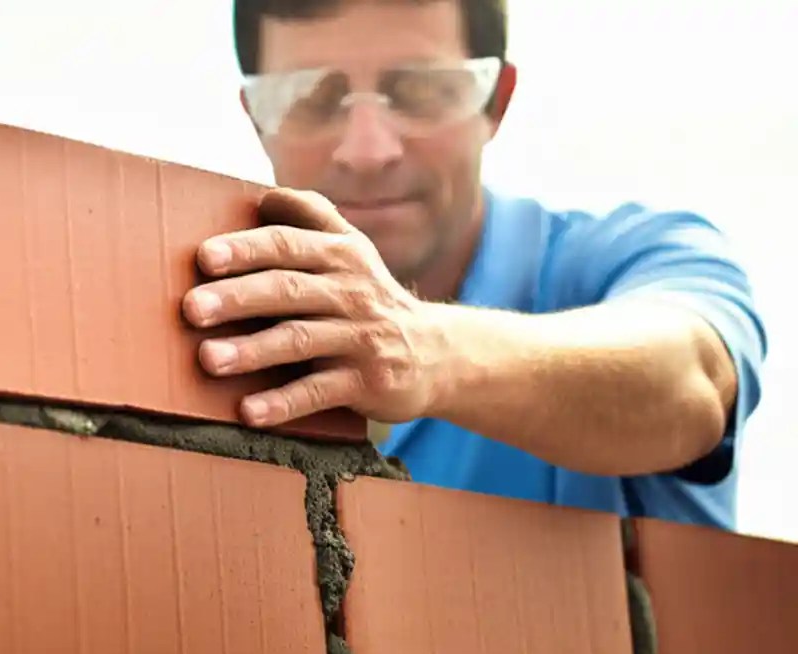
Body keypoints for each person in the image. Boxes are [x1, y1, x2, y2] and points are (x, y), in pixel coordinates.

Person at [181, 0, 767, 530]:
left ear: (497, 101)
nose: (366, 151)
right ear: (257, 119)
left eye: (422, 91)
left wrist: (423, 352)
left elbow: (693, 381)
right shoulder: (212, 319)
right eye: (310, 97)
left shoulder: (632, 257)